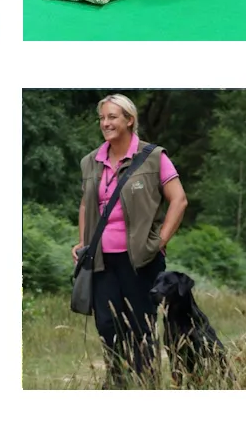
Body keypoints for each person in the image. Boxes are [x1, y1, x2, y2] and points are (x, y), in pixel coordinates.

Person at [73, 94, 188, 388]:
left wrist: (159, 242)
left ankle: (146, 383)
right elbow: (87, 205)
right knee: (107, 324)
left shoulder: (153, 157)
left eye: (112, 117)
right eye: (102, 118)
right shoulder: (91, 161)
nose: (105, 123)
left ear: (129, 120)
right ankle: (118, 382)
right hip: (100, 259)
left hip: (141, 259)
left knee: (141, 326)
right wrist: (82, 242)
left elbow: (179, 200)